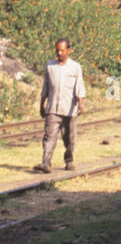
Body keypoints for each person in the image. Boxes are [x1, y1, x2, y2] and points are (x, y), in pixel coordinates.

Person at [35, 38, 86, 174]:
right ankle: (46, 163)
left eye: (62, 50)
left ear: (68, 50)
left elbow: (79, 87)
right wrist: (42, 105)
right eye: (57, 50)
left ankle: (69, 161)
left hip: (69, 109)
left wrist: (80, 103)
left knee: (69, 139)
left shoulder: (75, 67)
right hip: (52, 108)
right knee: (49, 136)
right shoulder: (50, 66)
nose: (59, 53)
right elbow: (45, 86)